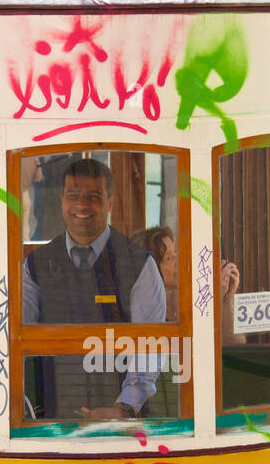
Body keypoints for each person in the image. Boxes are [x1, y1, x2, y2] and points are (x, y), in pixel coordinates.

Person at [22, 157, 164, 419]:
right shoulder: (35, 265)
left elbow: (150, 346)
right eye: (73, 195)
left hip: (121, 424)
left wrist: (123, 409)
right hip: (50, 419)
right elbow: (19, 338)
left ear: (110, 201)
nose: (81, 205)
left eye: (94, 196)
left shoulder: (141, 265)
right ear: (61, 200)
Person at [133, 224, 247, 345]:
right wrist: (215, 296)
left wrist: (227, 297)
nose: (177, 259)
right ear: (150, 267)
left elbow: (236, 343)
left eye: (175, 252)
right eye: (168, 258)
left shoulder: (188, 296)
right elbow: (196, 347)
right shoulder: (145, 306)